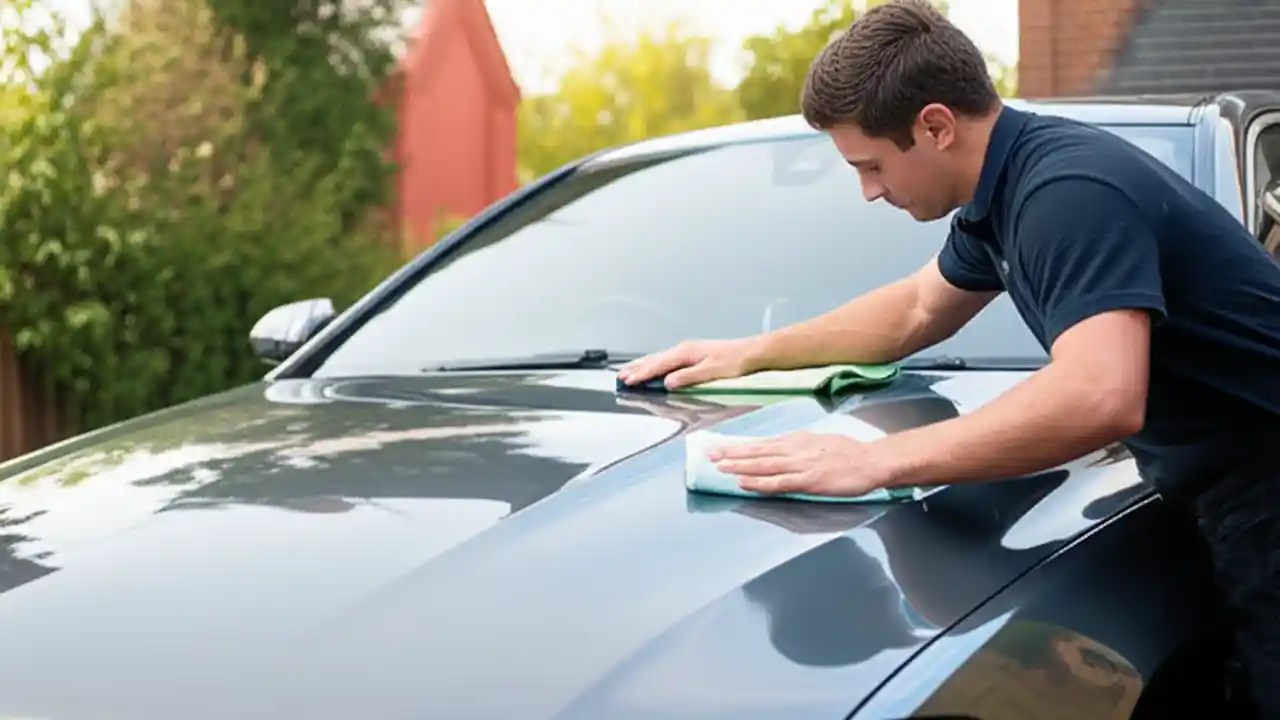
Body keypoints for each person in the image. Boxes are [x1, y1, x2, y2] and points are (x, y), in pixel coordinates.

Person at [616, 0, 1280, 714]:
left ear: (934, 125)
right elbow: (915, 310)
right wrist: (749, 354)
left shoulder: (1065, 195)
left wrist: (871, 462)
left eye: (871, 165)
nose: (869, 191)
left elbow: (1099, 395)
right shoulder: (1005, 195)